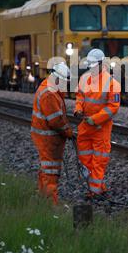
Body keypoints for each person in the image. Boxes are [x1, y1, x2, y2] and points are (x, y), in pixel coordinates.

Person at [74, 48, 121, 198]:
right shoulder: (84, 79)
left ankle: (94, 192)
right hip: (85, 126)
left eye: (94, 65)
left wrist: (95, 119)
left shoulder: (112, 83)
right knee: (85, 159)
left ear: (101, 64)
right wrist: (78, 109)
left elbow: (113, 107)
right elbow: (80, 96)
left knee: (98, 161)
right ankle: (97, 188)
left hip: (101, 128)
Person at [31, 61, 73, 205]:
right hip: (48, 139)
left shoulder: (49, 88)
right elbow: (55, 121)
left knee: (46, 169)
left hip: (46, 137)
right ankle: (51, 204)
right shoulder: (49, 93)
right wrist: (68, 132)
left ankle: (43, 199)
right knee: (51, 172)